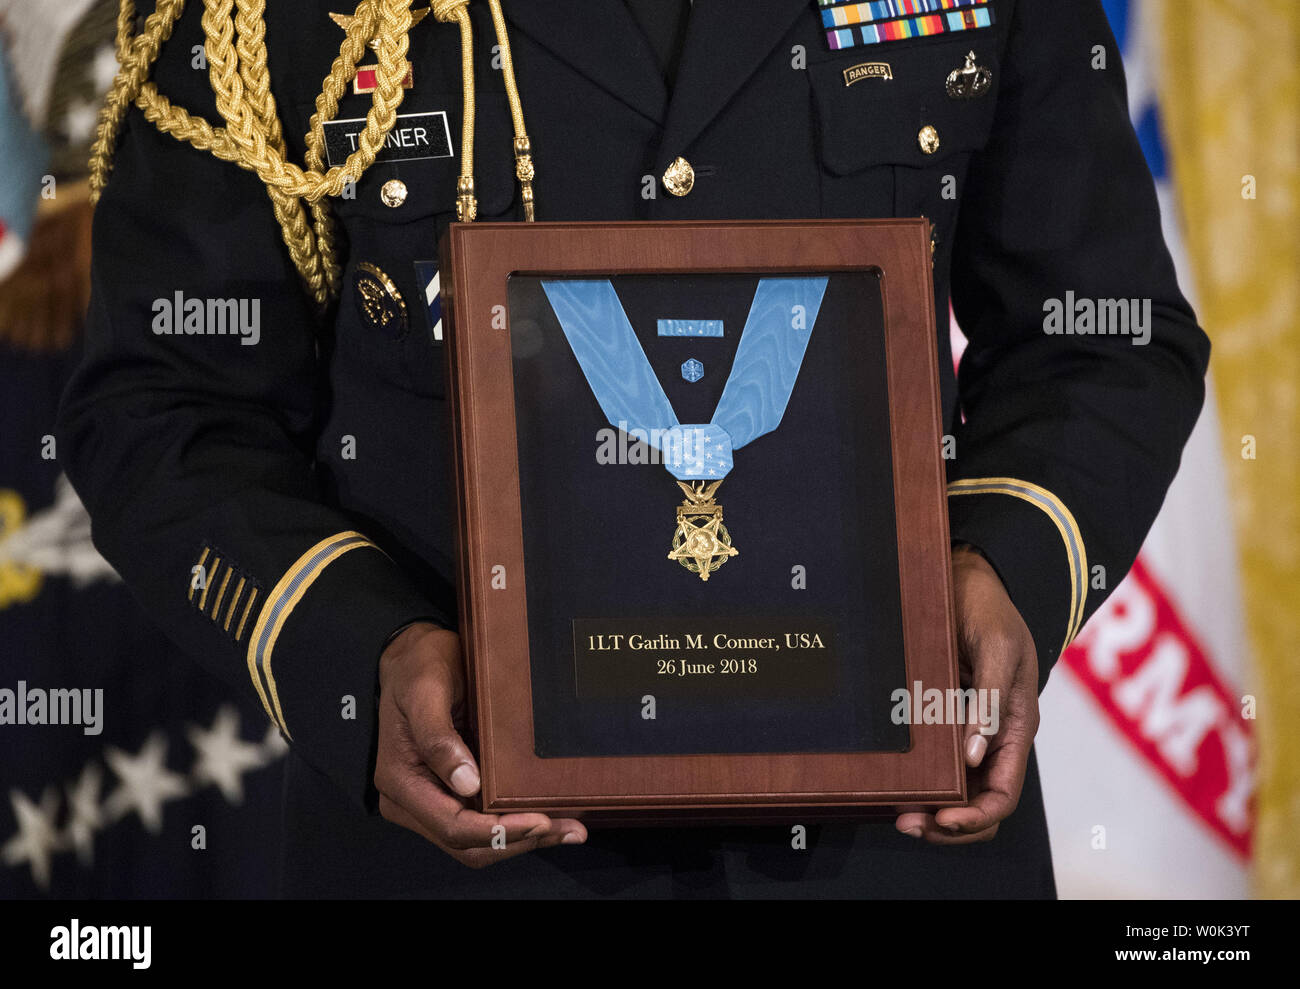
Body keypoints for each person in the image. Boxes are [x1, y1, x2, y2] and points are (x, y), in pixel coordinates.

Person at [58, 0, 1208, 898]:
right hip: (466, 852)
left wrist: (1008, 566)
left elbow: (1101, 335)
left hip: (892, 844)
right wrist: (358, 657)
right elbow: (163, 406)